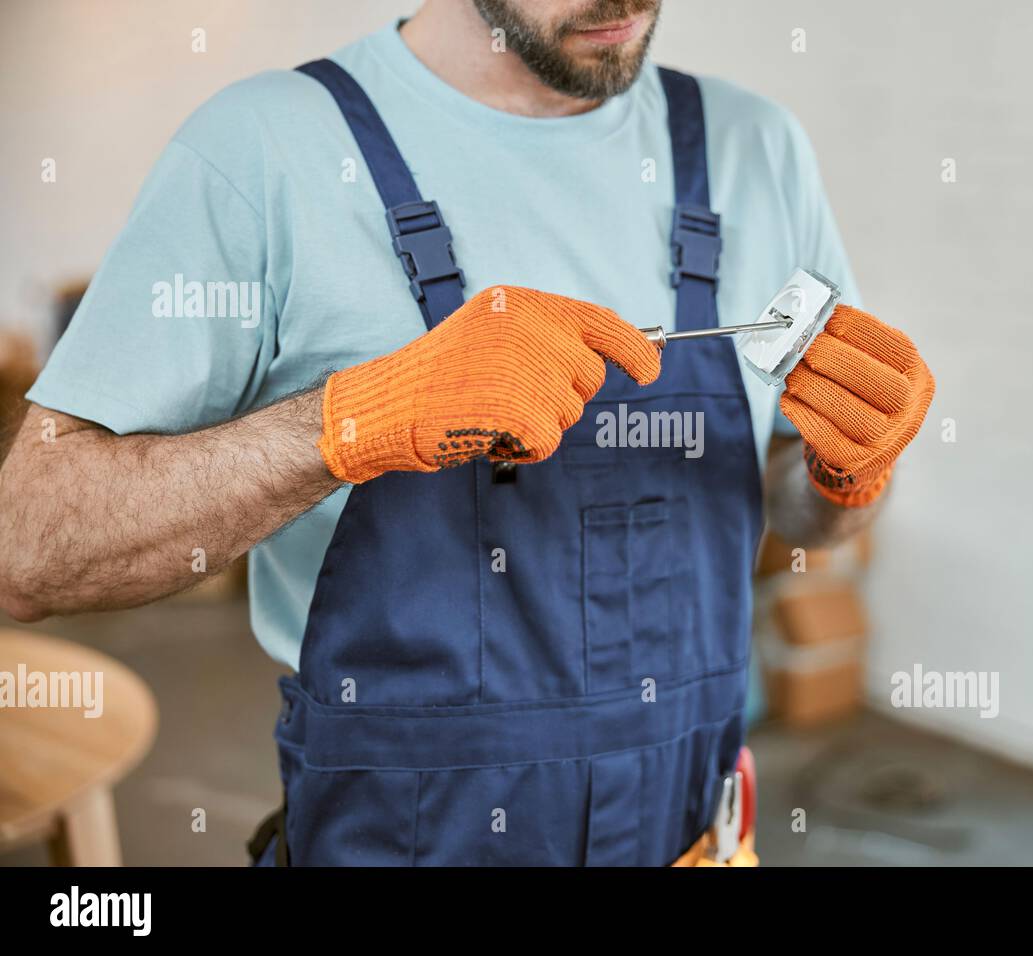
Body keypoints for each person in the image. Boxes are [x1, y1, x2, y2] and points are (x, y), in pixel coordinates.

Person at [0, 0, 933, 865]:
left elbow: (799, 512)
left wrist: (846, 479)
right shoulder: (265, 150)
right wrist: (349, 421)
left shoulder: (755, 149)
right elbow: (31, 547)